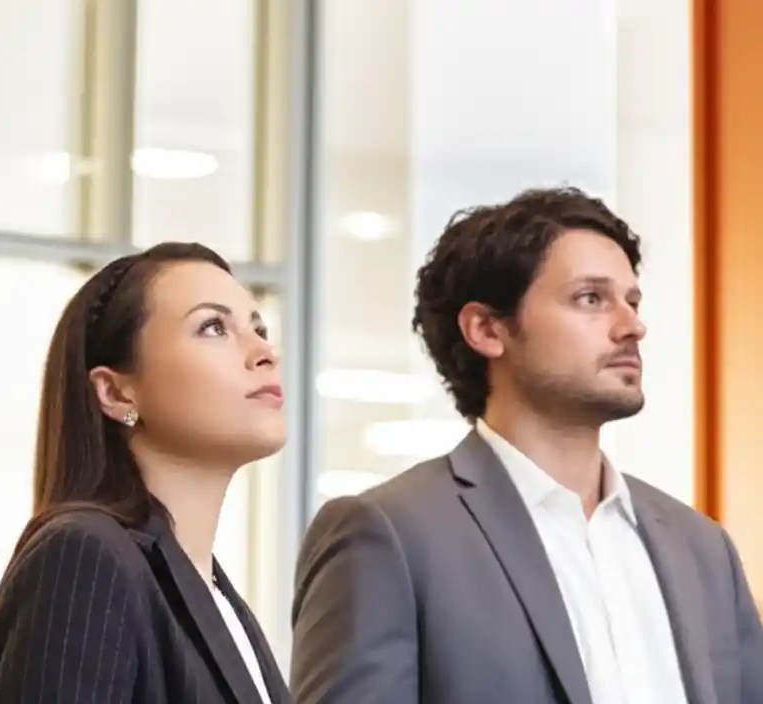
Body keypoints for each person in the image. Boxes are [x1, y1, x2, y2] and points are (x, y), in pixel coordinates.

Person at [290, 187, 763, 704]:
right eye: (590, 299)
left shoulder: (702, 550)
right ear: (488, 330)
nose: (632, 326)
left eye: (631, 301)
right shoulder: (391, 536)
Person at [0, 243, 291, 703]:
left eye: (259, 328)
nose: (264, 352)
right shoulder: (82, 556)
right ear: (116, 392)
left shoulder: (218, 598)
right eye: (213, 327)